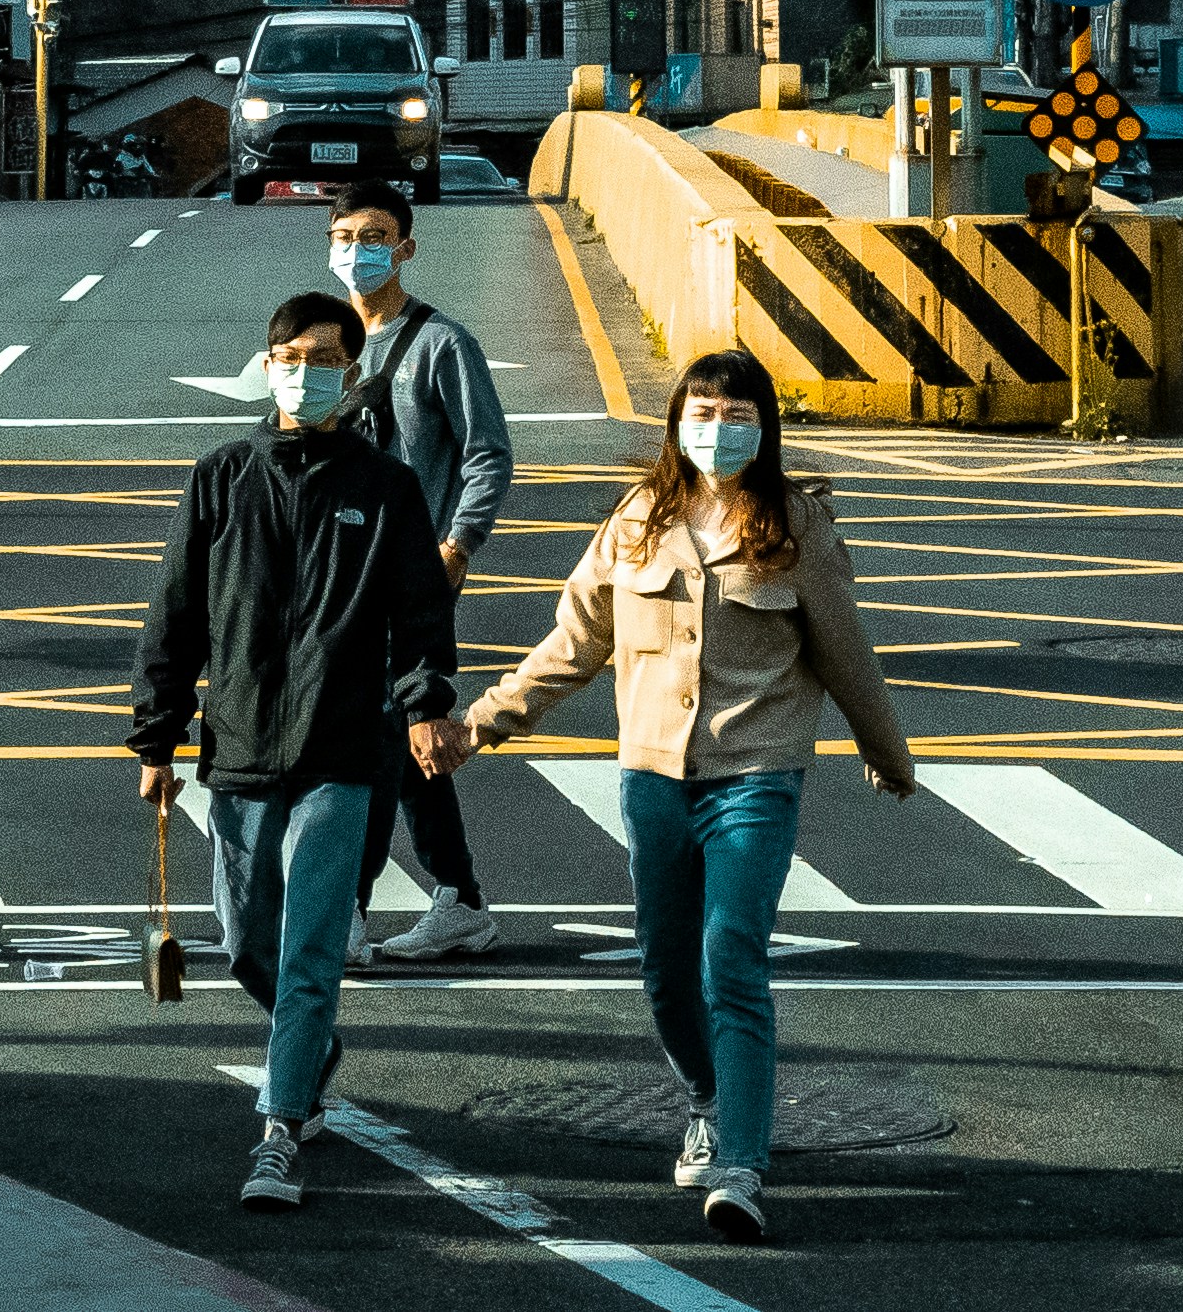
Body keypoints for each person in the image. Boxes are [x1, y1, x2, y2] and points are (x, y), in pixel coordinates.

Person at [460, 350, 916, 1248]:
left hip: (756, 772)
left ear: (764, 426)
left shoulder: (796, 526)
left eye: (736, 412)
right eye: (701, 411)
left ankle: (741, 1163)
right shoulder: (637, 521)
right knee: (665, 971)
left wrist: (884, 748)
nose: (717, 428)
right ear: (675, 422)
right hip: (653, 778)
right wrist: (483, 721)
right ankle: (707, 1098)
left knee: (730, 958)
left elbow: (843, 647)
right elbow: (574, 640)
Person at [131, 290, 461, 1216]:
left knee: (312, 947)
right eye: (288, 354)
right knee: (245, 941)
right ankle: (308, 1050)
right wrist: (156, 731)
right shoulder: (220, 476)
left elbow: (422, 619)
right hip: (234, 746)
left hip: (343, 750)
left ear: (351, 374)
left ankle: (278, 1131)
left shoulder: (386, 489)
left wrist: (427, 706)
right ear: (265, 361)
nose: (304, 371)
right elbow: (175, 612)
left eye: (324, 358)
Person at [324, 183, 514, 965]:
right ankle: (460, 897)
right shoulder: (324, 341)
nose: (356, 250)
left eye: (373, 235)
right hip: (340, 575)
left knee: (372, 737)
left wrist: (457, 546)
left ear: (404, 247)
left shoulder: (441, 344)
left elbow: (486, 454)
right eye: (343, 235)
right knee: (406, 738)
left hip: (411, 577)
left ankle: (347, 912)